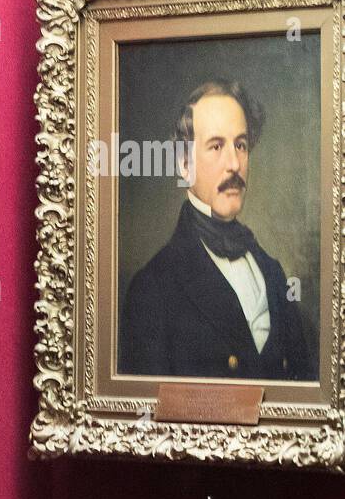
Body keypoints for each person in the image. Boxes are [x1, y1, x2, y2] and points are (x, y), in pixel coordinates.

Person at [120, 80, 313, 381]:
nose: (234, 164)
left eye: (241, 145)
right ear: (184, 164)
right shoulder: (153, 289)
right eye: (216, 146)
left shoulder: (273, 274)